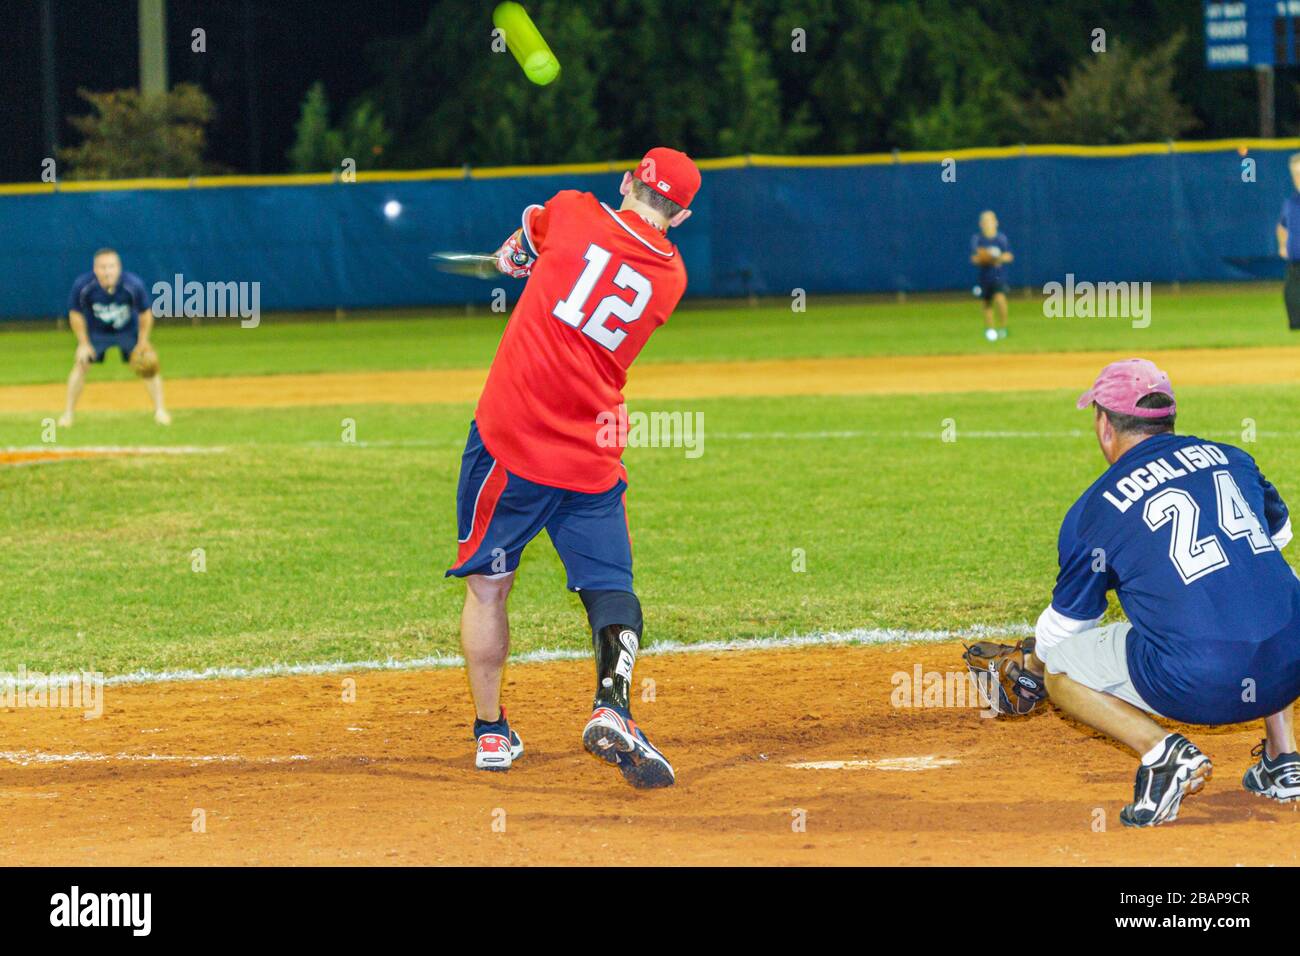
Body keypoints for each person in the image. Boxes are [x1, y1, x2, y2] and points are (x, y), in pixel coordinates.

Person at [445, 147, 700, 788]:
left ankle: (491, 733)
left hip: (514, 441)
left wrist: (511, 259)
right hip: (591, 446)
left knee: (488, 586)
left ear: (627, 182)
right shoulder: (672, 278)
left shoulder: (572, 211)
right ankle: (612, 704)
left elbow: (520, 248)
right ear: (683, 214)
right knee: (609, 585)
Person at [1030, 359, 1299, 827]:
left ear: (1104, 424)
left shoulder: (1094, 509)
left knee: (1059, 670)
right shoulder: (1234, 457)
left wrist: (1029, 667)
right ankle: (1285, 759)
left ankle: (1162, 753)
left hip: (1201, 685)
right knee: (1266, 587)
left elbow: (1064, 634)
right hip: (1293, 666)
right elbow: (1279, 536)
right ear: (1169, 415)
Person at [60, 249, 170, 427]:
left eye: (111, 266)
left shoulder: (132, 284)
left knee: (148, 365)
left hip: (127, 331)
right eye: (102, 267)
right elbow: (76, 314)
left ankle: (160, 411)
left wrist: (143, 342)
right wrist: (83, 343)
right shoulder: (84, 285)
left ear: (119, 268)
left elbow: (145, 314)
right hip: (97, 333)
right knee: (81, 363)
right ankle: (68, 414)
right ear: (95, 269)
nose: (107, 271)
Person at [970, 210, 1013, 341]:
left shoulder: (1001, 238)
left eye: (990, 221)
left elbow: (1009, 256)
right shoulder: (977, 239)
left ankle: (1003, 328)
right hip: (985, 276)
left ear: (996, 222)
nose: (987, 224)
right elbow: (974, 259)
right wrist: (985, 258)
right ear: (981, 224)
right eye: (984, 221)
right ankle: (990, 330)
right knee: (987, 304)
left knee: (1000, 299)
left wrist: (996, 257)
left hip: (999, 276)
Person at [1276, 152, 1300, 330]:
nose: (1297, 178)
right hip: (1294, 266)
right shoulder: (1291, 202)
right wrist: (1283, 245)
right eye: (1295, 174)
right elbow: (1282, 226)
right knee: (1291, 299)